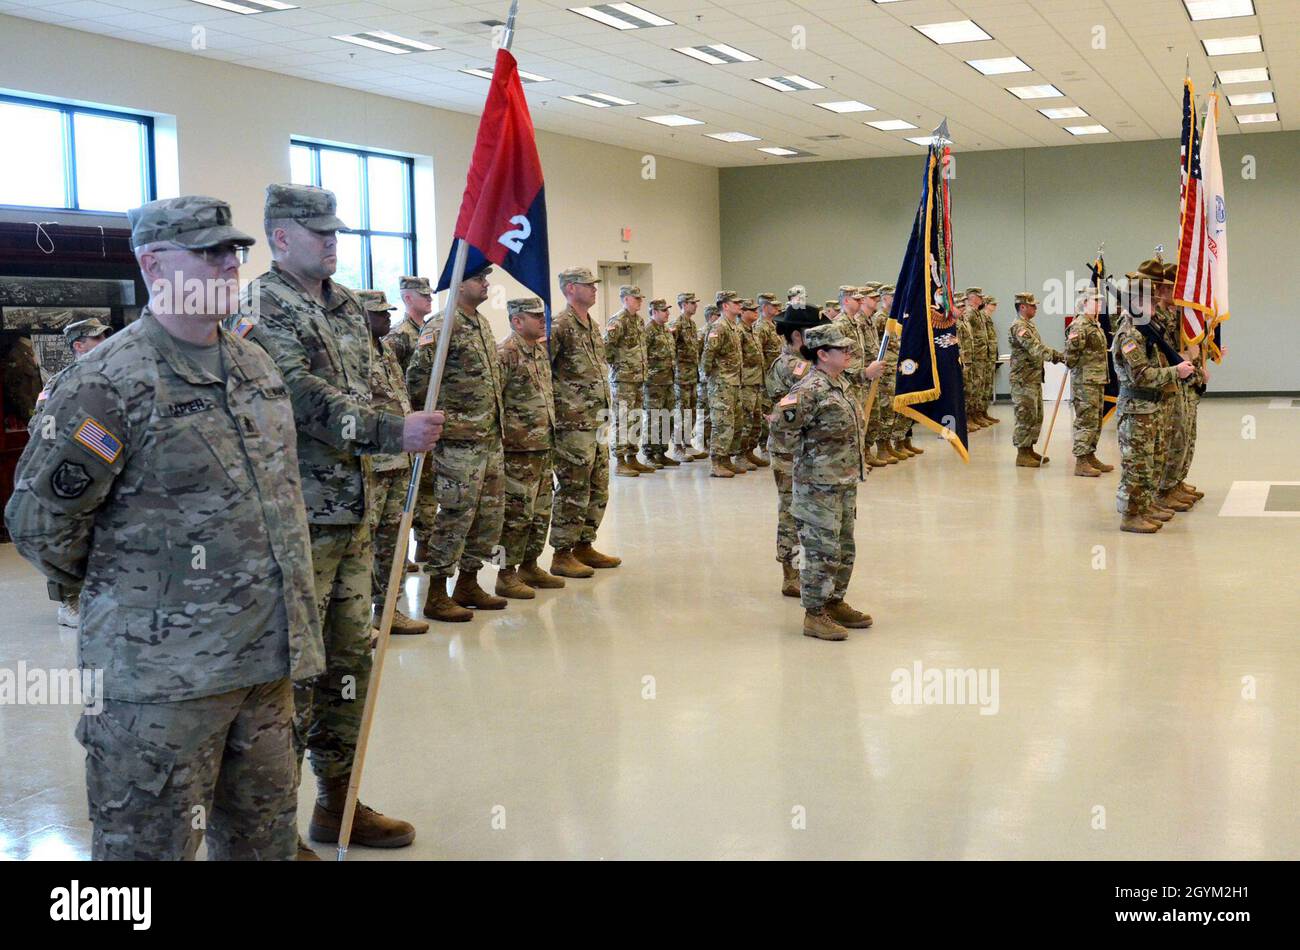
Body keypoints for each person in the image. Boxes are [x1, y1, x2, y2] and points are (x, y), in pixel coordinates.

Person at [5, 195, 333, 860]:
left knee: (264, 845)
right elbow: (40, 524)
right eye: (208, 253)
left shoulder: (256, 367)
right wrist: (136, 598)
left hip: (266, 667)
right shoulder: (106, 382)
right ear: (153, 264)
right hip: (158, 685)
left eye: (233, 251)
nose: (228, 266)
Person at [241, 183, 443, 853]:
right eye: (319, 232)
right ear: (280, 238)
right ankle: (274, 830)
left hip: (354, 511)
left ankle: (338, 803)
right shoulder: (262, 306)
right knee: (293, 676)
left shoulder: (348, 303)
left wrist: (400, 432)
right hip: (297, 521)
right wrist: (392, 433)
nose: (332, 242)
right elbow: (296, 395)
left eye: (336, 232)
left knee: (350, 664)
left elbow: (369, 385)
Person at [405, 260, 507, 622]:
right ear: (459, 284)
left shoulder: (481, 323)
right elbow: (417, 379)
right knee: (455, 514)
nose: (485, 284)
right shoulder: (441, 324)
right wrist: (440, 422)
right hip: (458, 440)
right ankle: (436, 592)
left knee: (488, 516)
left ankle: (468, 582)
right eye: (478, 278)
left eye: (486, 279)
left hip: (489, 437)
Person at [770, 323, 871, 641]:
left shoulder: (840, 384)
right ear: (823, 354)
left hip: (843, 481)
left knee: (843, 547)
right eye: (843, 349)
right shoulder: (808, 389)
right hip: (817, 486)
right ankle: (814, 614)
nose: (849, 352)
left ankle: (834, 602)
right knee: (819, 550)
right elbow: (780, 428)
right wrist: (806, 461)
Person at [31, 317, 114, 630]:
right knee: (69, 534)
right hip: (75, 468)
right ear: (79, 345)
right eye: (97, 338)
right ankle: (70, 602)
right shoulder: (61, 382)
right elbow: (40, 427)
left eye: (105, 336)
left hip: (109, 468)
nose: (105, 342)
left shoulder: (116, 375)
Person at [358, 290, 428, 634]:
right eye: (379, 313)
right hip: (372, 462)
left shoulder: (385, 351)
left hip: (400, 457)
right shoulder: (352, 355)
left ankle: (388, 610)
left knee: (394, 539)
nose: (387, 317)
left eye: (388, 311)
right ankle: (357, 619)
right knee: (365, 543)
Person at [548, 266, 621, 577]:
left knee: (598, 485)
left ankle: (584, 545)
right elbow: (543, 370)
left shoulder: (592, 324)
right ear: (570, 289)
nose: (594, 289)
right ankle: (561, 553)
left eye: (594, 285)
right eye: (587, 284)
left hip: (597, 421)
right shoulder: (559, 325)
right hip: (572, 424)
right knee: (573, 487)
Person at [1112, 262, 1194, 532]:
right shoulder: (1129, 335)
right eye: (1149, 301)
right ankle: (1131, 514)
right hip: (1136, 408)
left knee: (1152, 461)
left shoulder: (1145, 329)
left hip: (1150, 406)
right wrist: (1175, 372)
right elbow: (1141, 375)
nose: (1154, 305)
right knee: (1137, 465)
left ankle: (1146, 506)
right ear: (1136, 301)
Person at [496, 297, 566, 598]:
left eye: (542, 315)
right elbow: (495, 400)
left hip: (543, 445)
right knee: (514, 515)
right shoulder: (505, 353)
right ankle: (505, 573)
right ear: (517, 321)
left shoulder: (539, 350)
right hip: (517, 450)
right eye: (534, 316)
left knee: (540, 511)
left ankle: (529, 565)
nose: (542, 320)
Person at [766, 305, 824, 598]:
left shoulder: (803, 363)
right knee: (791, 511)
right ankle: (791, 574)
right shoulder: (791, 365)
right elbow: (817, 389)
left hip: (804, 449)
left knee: (806, 511)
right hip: (788, 451)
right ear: (799, 336)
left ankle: (804, 569)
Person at [385, 275, 436, 565]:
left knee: (428, 485)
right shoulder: (399, 335)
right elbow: (389, 379)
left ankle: (425, 543)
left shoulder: (431, 330)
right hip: (410, 423)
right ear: (407, 298)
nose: (429, 299)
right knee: (409, 487)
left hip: (429, 421)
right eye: (423, 295)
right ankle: (401, 552)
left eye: (430, 295)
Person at [1007, 291, 1064, 468]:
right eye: (1032, 305)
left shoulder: (1028, 325)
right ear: (1022, 307)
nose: (1035, 308)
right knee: (1025, 415)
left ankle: (1029, 449)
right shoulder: (1019, 327)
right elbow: (1035, 348)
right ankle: (1022, 454)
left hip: (1032, 378)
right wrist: (1057, 356)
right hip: (1023, 379)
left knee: (1035, 415)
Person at [1063, 287, 1112, 477]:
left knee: (1095, 420)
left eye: (1100, 301)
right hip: (1085, 382)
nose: (1099, 304)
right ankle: (1081, 461)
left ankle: (1090, 455)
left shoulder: (1094, 324)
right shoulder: (1079, 325)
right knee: (1085, 420)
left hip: (1096, 380)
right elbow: (1070, 355)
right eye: (1095, 301)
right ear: (1084, 303)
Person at [604, 284, 652, 476]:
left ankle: (632, 457)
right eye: (636, 298)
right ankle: (620, 461)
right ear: (625, 299)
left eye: (640, 298)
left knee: (636, 418)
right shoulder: (617, 321)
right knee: (623, 419)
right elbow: (607, 348)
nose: (640, 301)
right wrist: (619, 366)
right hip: (623, 380)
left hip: (638, 378)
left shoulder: (639, 320)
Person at [701, 291, 744, 477]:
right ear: (725, 306)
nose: (740, 305)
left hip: (734, 382)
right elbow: (708, 355)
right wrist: (708, 378)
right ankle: (716, 462)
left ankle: (726, 459)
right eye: (736, 302)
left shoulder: (732, 326)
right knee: (721, 423)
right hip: (721, 383)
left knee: (735, 422)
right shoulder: (719, 327)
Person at [670, 292, 706, 462]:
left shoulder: (691, 324)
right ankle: (677, 448)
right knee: (681, 412)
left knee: (691, 412)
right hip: (681, 377)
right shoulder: (676, 325)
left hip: (692, 376)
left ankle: (687, 444)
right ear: (684, 304)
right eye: (692, 303)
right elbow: (670, 349)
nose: (695, 305)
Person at [641, 298, 677, 468]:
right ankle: (649, 454)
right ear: (654, 312)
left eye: (668, 310)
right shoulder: (648, 331)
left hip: (668, 381)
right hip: (653, 383)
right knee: (654, 419)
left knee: (667, 417)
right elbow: (643, 355)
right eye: (664, 310)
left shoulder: (666, 330)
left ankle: (661, 452)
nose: (667, 313)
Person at [736, 298, 769, 471]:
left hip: (757, 381)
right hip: (746, 382)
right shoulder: (739, 331)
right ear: (742, 312)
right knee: (746, 421)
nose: (756, 312)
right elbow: (737, 358)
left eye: (757, 310)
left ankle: (749, 451)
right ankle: (740, 455)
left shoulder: (753, 330)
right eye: (751, 310)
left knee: (756, 421)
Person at [754, 292, 784, 459]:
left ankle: (774, 444)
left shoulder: (774, 325)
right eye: (774, 305)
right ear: (764, 307)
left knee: (777, 409)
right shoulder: (760, 327)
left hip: (777, 377)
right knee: (765, 411)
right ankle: (764, 446)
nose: (778, 308)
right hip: (766, 378)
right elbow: (757, 354)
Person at [695, 303, 719, 454]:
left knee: (712, 412)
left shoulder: (716, 331)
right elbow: (697, 354)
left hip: (714, 378)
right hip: (704, 379)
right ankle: (701, 442)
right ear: (711, 317)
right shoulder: (702, 333)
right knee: (704, 412)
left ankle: (709, 441)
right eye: (717, 315)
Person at [977, 294, 1001, 425]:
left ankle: (983, 413)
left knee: (987, 387)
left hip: (988, 357)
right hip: (982, 357)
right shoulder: (981, 317)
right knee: (979, 388)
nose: (995, 307)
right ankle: (975, 414)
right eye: (993, 304)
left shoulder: (987, 318)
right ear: (986, 304)